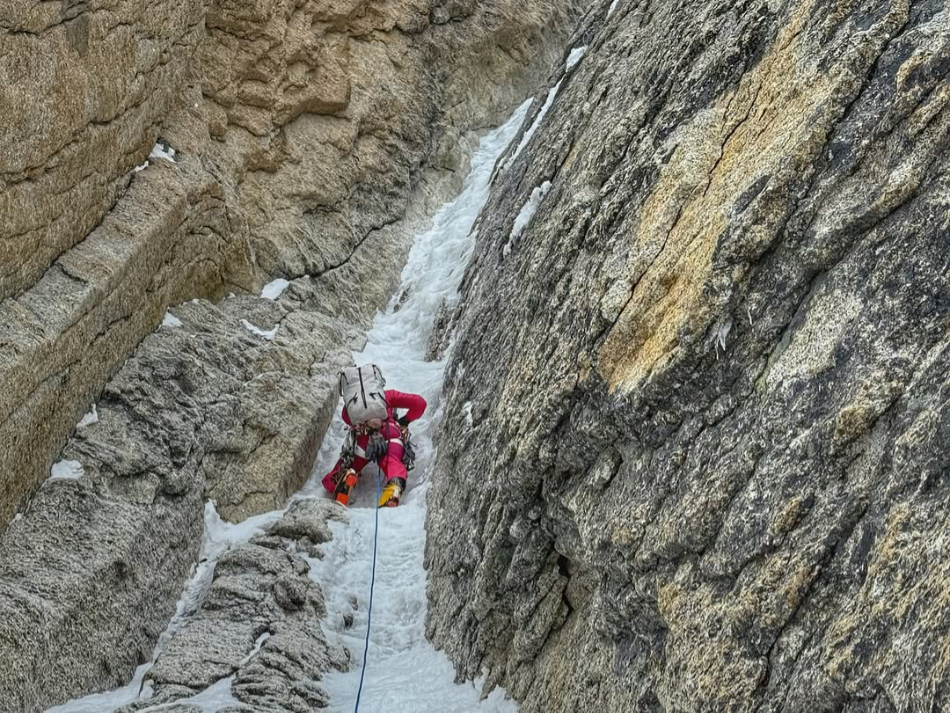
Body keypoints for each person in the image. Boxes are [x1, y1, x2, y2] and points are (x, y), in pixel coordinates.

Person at [322, 386, 426, 508]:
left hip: (363, 440)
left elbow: (346, 417)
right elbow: (420, 403)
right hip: (390, 434)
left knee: (351, 463)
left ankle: (343, 475)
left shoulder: (354, 403)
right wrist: (405, 421)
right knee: (392, 460)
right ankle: (394, 486)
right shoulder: (387, 395)